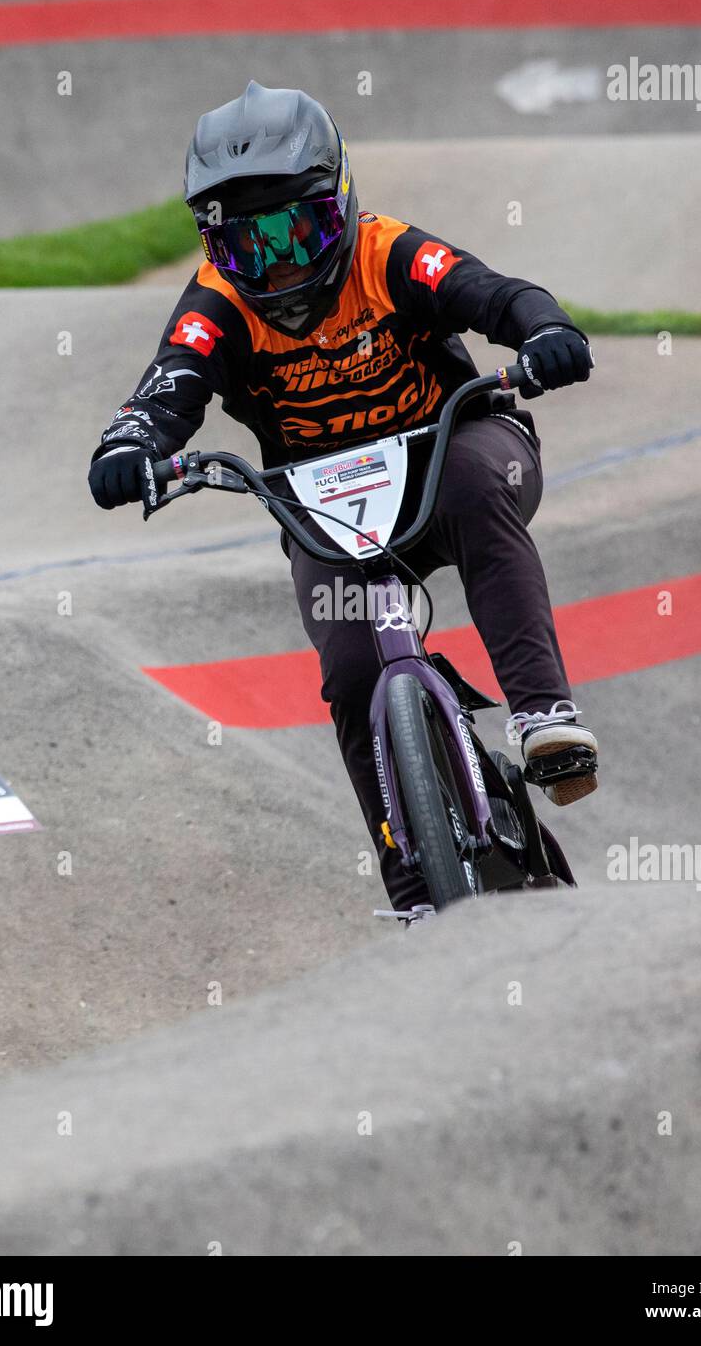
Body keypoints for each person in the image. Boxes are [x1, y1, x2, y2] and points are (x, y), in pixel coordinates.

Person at [88, 81, 598, 917]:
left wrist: (544, 331)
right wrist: (130, 446)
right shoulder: (214, 308)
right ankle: (413, 894)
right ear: (217, 250)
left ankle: (544, 716)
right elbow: (165, 389)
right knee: (354, 670)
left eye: (299, 228)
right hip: (322, 506)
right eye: (253, 246)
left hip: (450, 456)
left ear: (342, 203)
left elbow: (495, 293)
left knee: (477, 485)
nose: (283, 261)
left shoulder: (386, 251)